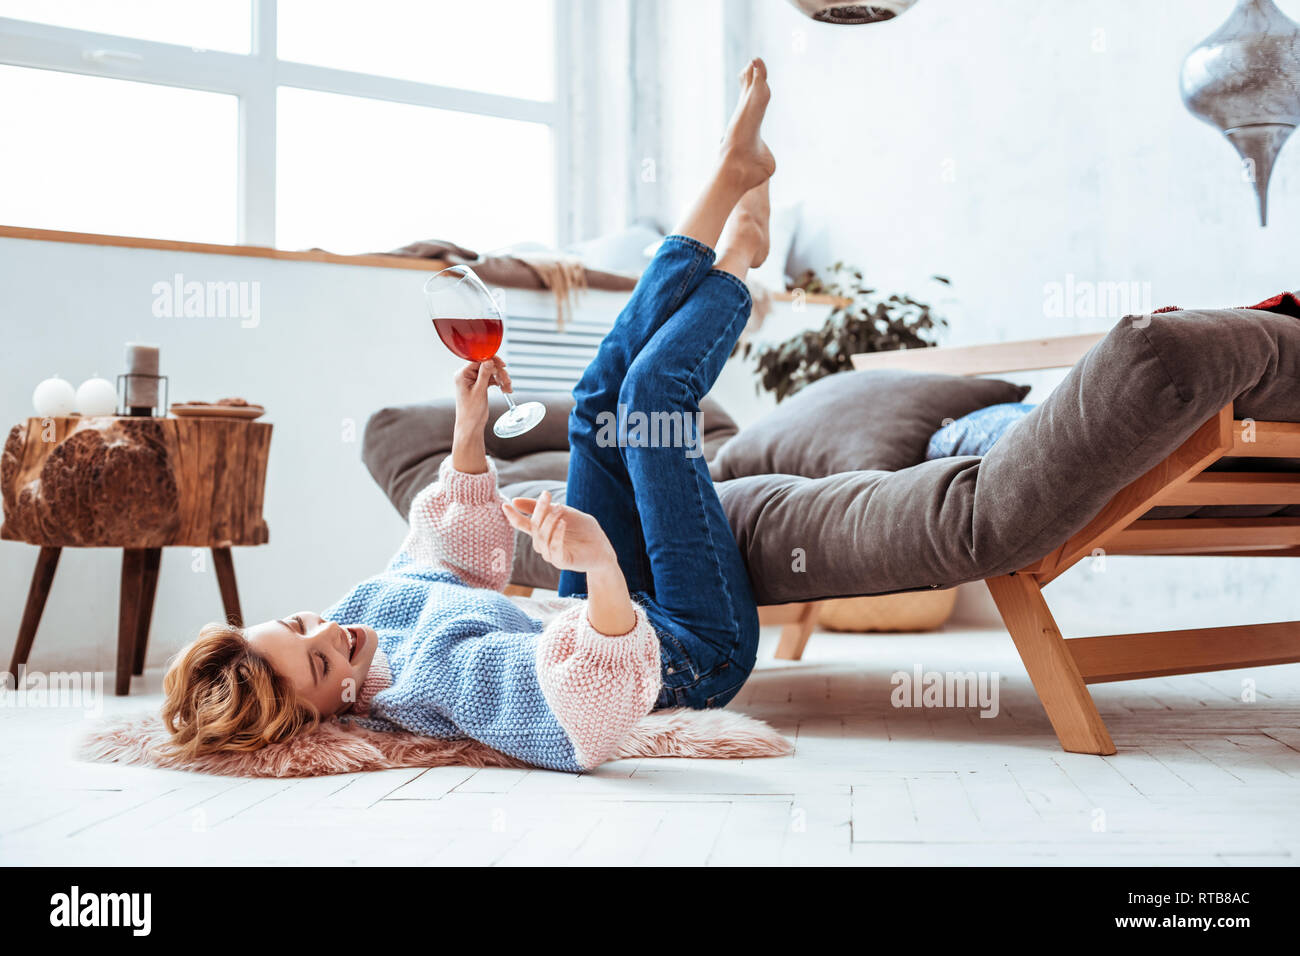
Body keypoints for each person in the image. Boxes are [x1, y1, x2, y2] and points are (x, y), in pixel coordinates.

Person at [162, 58, 776, 773]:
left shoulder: (363, 610)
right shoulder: (440, 686)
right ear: (319, 719)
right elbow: (581, 721)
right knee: (648, 406)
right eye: (320, 665)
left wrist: (468, 425)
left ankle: (730, 196)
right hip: (684, 650)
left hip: (586, 618)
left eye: (301, 624)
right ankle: (734, 256)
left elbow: (450, 559)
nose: (333, 631)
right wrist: (602, 568)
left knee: (596, 404)